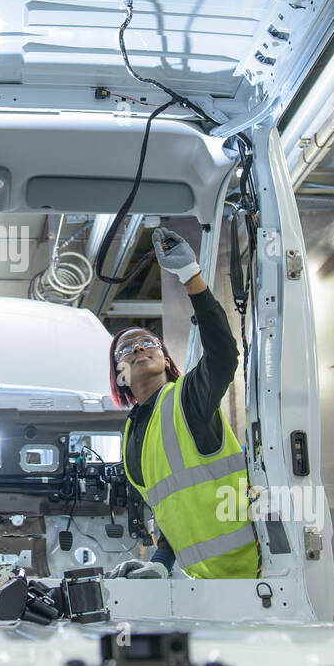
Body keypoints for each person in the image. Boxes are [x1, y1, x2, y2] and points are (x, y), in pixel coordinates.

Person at [105, 227, 260, 580]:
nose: (140, 348)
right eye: (127, 349)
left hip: (257, 570)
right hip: (204, 583)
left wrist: (192, 278)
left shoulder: (186, 398)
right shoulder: (131, 436)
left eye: (149, 342)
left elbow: (222, 355)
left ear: (166, 358)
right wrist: (159, 562)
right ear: (119, 374)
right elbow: (170, 509)